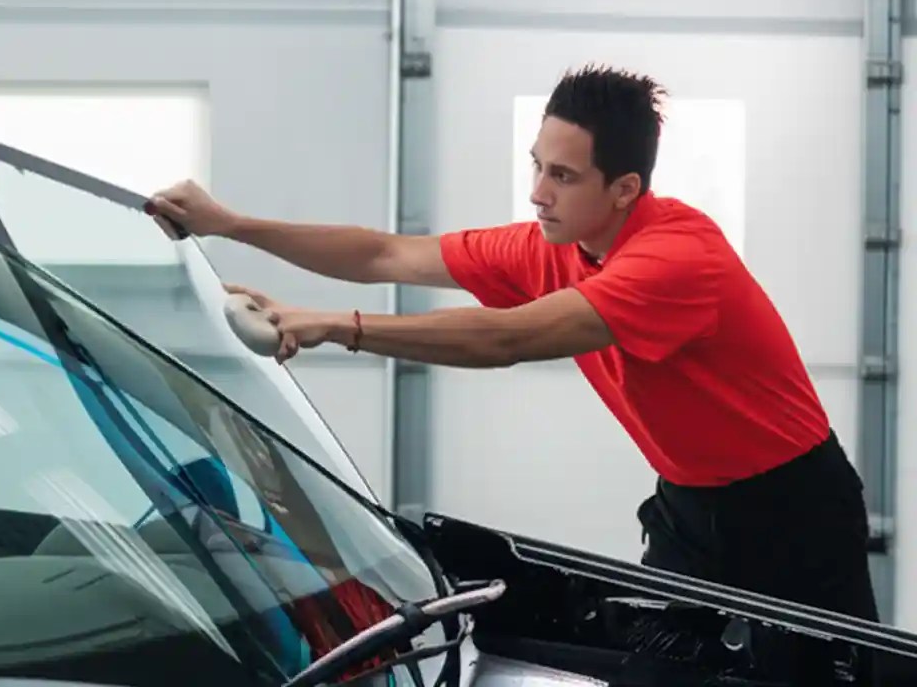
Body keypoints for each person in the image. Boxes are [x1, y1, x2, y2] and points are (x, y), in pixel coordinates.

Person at [145, 63, 879, 628]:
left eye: (562, 176)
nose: (537, 193)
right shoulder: (549, 244)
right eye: (537, 165)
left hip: (794, 514)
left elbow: (507, 339)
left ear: (625, 188)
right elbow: (386, 256)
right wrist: (229, 223)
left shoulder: (678, 259)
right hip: (688, 509)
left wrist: (342, 326)